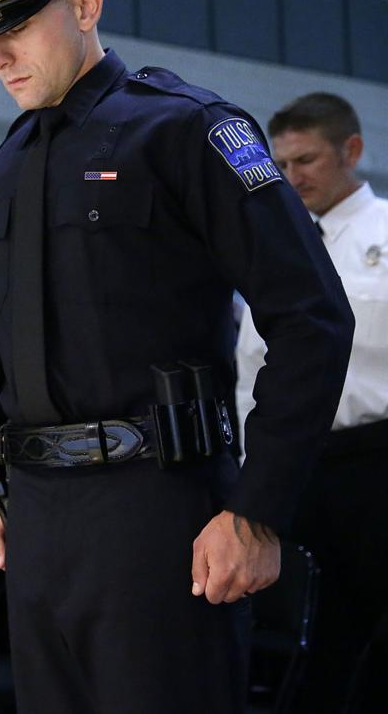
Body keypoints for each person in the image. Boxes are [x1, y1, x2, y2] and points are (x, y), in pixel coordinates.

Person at [0, 0, 354, 712]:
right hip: (39, 520)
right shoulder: (12, 161)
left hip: (159, 511)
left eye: (16, 26)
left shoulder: (187, 129)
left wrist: (256, 512)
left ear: (85, 4)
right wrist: (2, 492)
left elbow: (313, 319)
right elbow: (4, 346)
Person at [235, 92, 388, 711]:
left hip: (374, 462)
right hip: (291, 464)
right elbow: (250, 368)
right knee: (305, 630)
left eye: (308, 161)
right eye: (283, 164)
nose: (293, 177)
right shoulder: (275, 246)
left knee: (372, 628)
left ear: (350, 150)